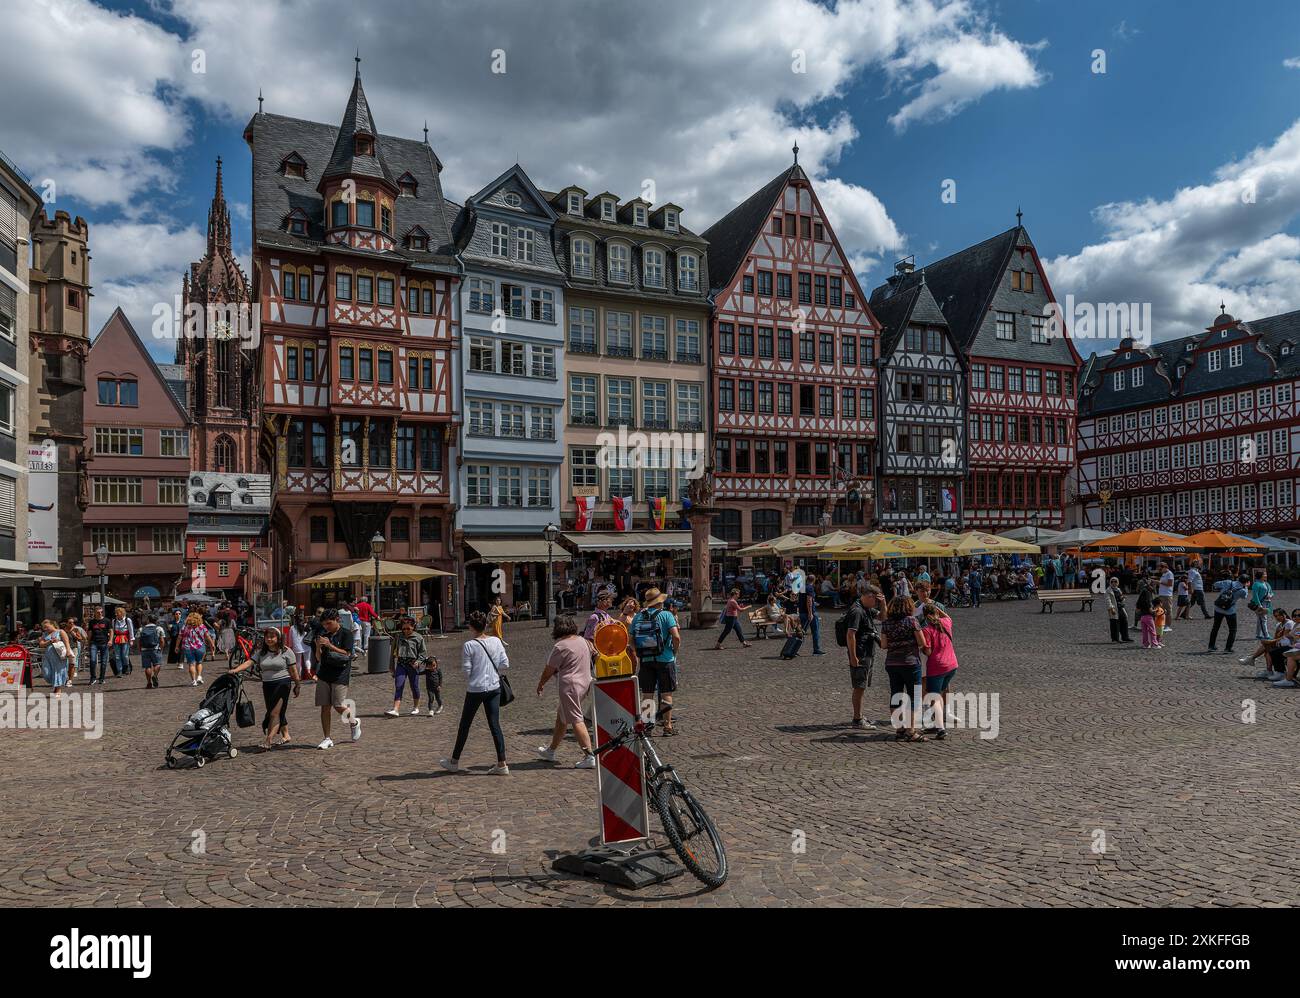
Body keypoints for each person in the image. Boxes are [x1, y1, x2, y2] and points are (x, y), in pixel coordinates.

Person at [440, 610, 509, 774]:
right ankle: (502, 763)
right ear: (486, 625)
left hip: (475, 689)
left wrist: (476, 673)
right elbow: (505, 664)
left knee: (465, 725)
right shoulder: (496, 641)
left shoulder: (469, 645)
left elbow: (466, 670)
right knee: (495, 725)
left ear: (471, 627)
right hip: (494, 687)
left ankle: (454, 761)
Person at [536, 614, 596, 769]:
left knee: (576, 719)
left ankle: (589, 755)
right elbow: (595, 654)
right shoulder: (583, 641)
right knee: (562, 716)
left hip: (570, 686)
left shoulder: (561, 646)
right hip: (585, 683)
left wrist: (541, 684)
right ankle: (551, 750)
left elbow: (549, 669)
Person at [230, 626, 300, 749]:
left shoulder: (286, 651)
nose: (269, 639)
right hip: (267, 685)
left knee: (274, 713)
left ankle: (268, 741)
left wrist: (297, 685)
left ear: (278, 638)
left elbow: (293, 670)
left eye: (272, 637)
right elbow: (249, 662)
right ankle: (286, 735)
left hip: (282, 684)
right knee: (276, 711)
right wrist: (235, 670)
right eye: (267, 637)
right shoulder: (262, 652)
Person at [628, 588, 681, 736]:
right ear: (660, 601)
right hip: (665, 659)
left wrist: (639, 652)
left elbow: (630, 640)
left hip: (646, 660)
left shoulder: (638, 617)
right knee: (666, 694)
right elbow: (676, 637)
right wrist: (674, 651)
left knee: (647, 695)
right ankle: (667, 726)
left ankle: (647, 727)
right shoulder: (666, 615)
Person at [878, 596, 930, 741]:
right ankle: (911, 731)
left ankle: (899, 728)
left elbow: (883, 645)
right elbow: (922, 642)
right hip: (910, 663)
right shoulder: (912, 621)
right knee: (914, 696)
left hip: (892, 663)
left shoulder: (886, 623)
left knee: (896, 694)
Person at [314, 609, 360, 749]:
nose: (326, 627)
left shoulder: (346, 634)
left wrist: (329, 645)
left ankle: (353, 722)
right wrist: (318, 647)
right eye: (324, 624)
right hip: (324, 674)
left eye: (329, 623)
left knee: (338, 705)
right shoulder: (323, 634)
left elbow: (347, 654)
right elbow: (319, 658)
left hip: (340, 673)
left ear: (337, 620)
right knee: (324, 707)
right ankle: (327, 738)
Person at [843, 581, 881, 729]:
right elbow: (850, 634)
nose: (877, 603)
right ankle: (857, 719)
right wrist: (853, 656)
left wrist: (883, 604)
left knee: (862, 686)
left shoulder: (866, 608)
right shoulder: (857, 611)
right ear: (869, 596)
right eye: (876, 600)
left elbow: (884, 617)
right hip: (860, 653)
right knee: (859, 686)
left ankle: (859, 716)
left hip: (866, 652)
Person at [920, 602, 957, 739]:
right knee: (939, 694)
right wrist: (936, 608)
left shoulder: (927, 630)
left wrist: (922, 648)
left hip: (937, 667)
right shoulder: (946, 623)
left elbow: (928, 652)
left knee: (934, 697)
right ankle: (936, 724)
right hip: (952, 665)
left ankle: (940, 728)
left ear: (924, 616)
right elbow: (947, 616)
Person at [387, 618, 427, 717]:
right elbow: (392, 653)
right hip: (401, 664)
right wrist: (391, 667)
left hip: (413, 665)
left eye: (408, 629)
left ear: (413, 627)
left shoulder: (419, 638)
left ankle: (416, 707)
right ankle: (395, 709)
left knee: (414, 687)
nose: (405, 631)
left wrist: (418, 662)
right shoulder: (398, 637)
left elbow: (423, 653)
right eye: (403, 629)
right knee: (399, 685)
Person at [1240, 607, 1292, 679]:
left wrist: (1270, 641)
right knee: (1267, 649)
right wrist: (1270, 641)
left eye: (1279, 615)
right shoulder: (1279, 625)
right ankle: (1267, 669)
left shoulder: (1289, 623)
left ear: (1284, 615)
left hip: (1287, 644)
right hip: (1280, 644)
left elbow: (1284, 637)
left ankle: (1252, 659)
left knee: (1266, 646)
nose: (1278, 617)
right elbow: (1276, 637)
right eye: (1276, 616)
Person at [1208, 575, 1249, 654]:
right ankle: (1228, 648)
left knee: (1215, 627)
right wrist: (1246, 587)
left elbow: (1215, 584)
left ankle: (1211, 646)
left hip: (1218, 608)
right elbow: (1245, 597)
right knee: (1232, 629)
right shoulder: (1243, 590)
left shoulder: (1228, 582)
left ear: (1238, 579)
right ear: (1246, 582)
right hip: (1230, 610)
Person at [176, 611, 215, 686]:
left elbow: (179, 637)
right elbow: (207, 636)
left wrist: (177, 646)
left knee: (191, 664)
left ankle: (193, 681)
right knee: (199, 662)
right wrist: (212, 644)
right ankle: (199, 676)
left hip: (188, 647)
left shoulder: (185, 626)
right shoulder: (202, 626)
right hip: (200, 646)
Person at [37, 619, 71, 697]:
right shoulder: (45, 634)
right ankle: (56, 686)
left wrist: (68, 651)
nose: (45, 629)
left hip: (59, 656)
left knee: (58, 672)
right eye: (44, 627)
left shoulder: (60, 631)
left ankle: (58, 689)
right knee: (46, 673)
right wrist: (50, 641)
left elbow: (67, 642)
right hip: (48, 656)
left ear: (52, 624)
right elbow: (41, 644)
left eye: (47, 627)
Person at [138, 614, 168, 689]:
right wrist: (161, 649)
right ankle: (154, 676)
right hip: (155, 649)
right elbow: (162, 640)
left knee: (147, 667)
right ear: (156, 621)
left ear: (148, 620)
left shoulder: (141, 629)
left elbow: (138, 641)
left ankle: (149, 683)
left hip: (145, 650)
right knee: (157, 664)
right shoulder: (159, 628)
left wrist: (140, 649)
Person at [797, 577, 823, 655]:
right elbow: (809, 601)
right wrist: (810, 613)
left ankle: (795, 648)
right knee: (815, 631)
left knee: (801, 632)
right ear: (814, 580)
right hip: (809, 612)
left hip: (802, 612)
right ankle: (817, 650)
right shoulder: (810, 588)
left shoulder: (802, 587)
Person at [85, 608, 111, 685]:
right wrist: (88, 643)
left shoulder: (107, 621)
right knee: (92, 660)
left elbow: (111, 631)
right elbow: (89, 632)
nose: (100, 613)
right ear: (95, 613)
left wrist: (110, 640)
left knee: (103, 662)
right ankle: (93, 678)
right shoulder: (92, 622)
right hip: (94, 643)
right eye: (98, 612)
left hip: (104, 642)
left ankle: (102, 678)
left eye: (101, 612)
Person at [1106, 576, 1133, 642]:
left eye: (1115, 581)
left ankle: (1125, 637)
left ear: (1117, 583)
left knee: (1124, 622)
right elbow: (1108, 600)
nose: (1113, 583)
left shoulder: (1118, 589)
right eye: (1112, 581)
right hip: (1114, 608)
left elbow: (1120, 598)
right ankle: (1115, 639)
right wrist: (1111, 608)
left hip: (1121, 607)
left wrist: (1123, 598)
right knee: (1115, 623)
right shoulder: (1108, 591)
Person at [1249, 569, 1274, 642]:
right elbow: (1255, 596)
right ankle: (1266, 635)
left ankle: (1258, 634)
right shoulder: (1256, 584)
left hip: (1267, 603)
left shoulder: (1267, 584)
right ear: (1260, 576)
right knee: (1263, 619)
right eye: (1264, 574)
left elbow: (1272, 593)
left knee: (1260, 619)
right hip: (1260, 604)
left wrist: (1270, 595)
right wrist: (1259, 605)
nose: (1266, 575)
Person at [110, 605, 134, 677]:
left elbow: (131, 630)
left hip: (125, 638)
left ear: (122, 613)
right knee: (117, 656)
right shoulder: (114, 621)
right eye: (116, 613)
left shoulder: (127, 620)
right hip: (117, 639)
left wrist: (131, 640)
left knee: (124, 655)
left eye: (118, 612)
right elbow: (113, 631)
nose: (116, 614)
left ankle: (126, 667)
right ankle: (119, 671)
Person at [1135, 581, 1160, 649]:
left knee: (1145, 632)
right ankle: (1154, 644)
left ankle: (1145, 644)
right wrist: (1156, 609)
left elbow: (1137, 609)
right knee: (1152, 630)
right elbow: (1150, 609)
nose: (1154, 587)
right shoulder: (1148, 594)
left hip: (1142, 616)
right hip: (1149, 616)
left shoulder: (1142, 595)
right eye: (1153, 586)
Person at [64, 617, 86, 686]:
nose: (71, 624)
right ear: (67, 623)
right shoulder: (63, 630)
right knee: (65, 664)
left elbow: (80, 638)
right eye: (70, 623)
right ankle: (65, 678)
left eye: (72, 622)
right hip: (65, 648)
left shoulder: (75, 630)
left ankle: (70, 680)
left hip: (74, 648)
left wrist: (74, 635)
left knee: (72, 663)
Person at [1155, 562, 1175, 636]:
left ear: (1164, 567)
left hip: (1167, 595)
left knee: (1168, 611)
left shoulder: (1169, 574)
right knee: (1162, 611)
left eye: (1160, 568)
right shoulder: (1164, 574)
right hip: (1162, 594)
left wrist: (1159, 582)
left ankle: (1168, 626)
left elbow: (1170, 584)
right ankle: (1162, 624)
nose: (1160, 570)